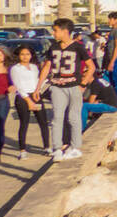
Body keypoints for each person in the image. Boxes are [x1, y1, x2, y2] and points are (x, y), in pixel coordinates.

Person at [39, 17, 94, 161]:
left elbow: (91, 67)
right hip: (57, 87)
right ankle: (57, 148)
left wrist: (83, 84)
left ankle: (75, 147)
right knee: (57, 118)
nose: (54, 33)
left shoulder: (78, 47)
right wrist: (38, 88)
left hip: (74, 87)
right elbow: (46, 67)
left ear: (65, 31)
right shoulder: (53, 47)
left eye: (56, 30)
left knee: (73, 117)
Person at [9, 43, 49, 159]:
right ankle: (23, 150)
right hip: (23, 97)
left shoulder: (34, 67)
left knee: (43, 123)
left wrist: (39, 91)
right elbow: (18, 86)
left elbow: (38, 81)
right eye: (22, 54)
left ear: (31, 55)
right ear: (18, 55)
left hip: (36, 95)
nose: (25, 56)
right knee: (24, 124)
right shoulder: (15, 69)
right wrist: (28, 101)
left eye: (27, 54)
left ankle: (46, 147)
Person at [102, 11, 117, 103]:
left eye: (110, 19)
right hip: (110, 58)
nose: (109, 21)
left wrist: (112, 61)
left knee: (116, 77)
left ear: (116, 20)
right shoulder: (112, 31)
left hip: (115, 59)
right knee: (110, 78)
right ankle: (113, 97)